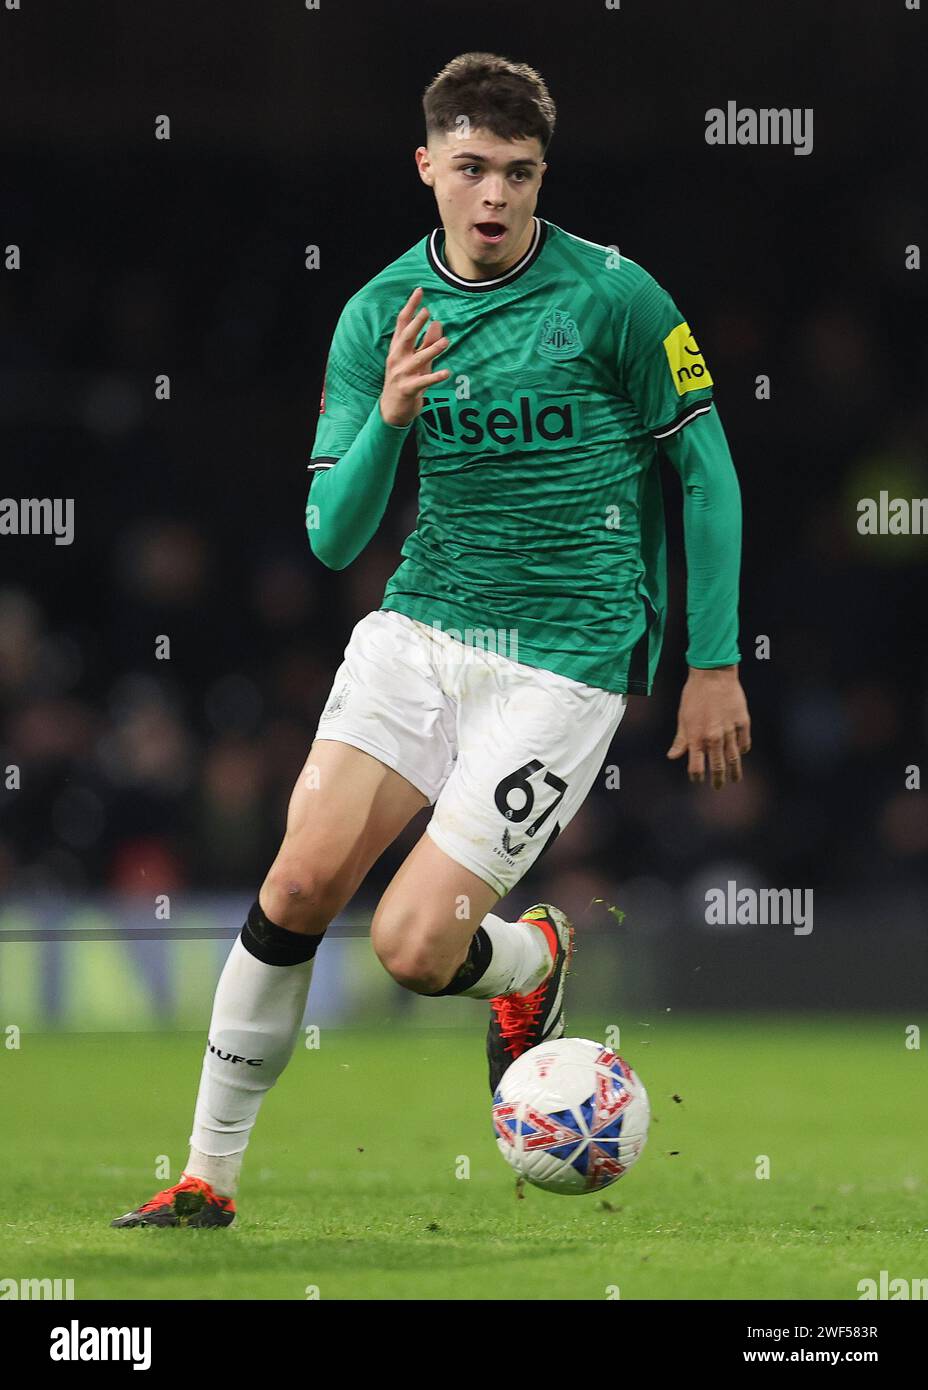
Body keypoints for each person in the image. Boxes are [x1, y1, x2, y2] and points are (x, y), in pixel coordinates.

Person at [112, 51, 749, 1229]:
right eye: (470, 169)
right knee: (299, 879)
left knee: (411, 947)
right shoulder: (377, 318)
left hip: (565, 659)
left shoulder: (616, 297)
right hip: (418, 631)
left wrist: (712, 661)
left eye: (516, 172)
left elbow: (703, 472)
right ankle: (208, 1174)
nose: (494, 196)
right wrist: (392, 421)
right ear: (427, 168)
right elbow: (329, 532)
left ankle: (528, 961)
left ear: (541, 172)